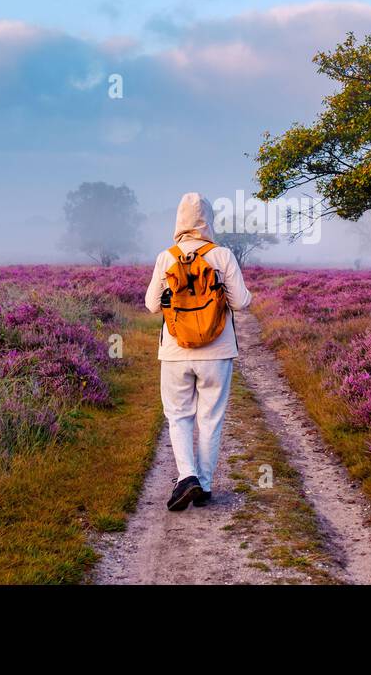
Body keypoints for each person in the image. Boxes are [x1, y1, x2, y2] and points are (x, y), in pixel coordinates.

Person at [144, 192, 252, 511]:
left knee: (179, 416)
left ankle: (186, 476)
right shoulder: (222, 256)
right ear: (207, 220)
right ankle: (203, 485)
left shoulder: (167, 257)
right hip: (217, 352)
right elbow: (242, 302)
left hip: (175, 352)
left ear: (179, 220)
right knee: (211, 418)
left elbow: (151, 305)